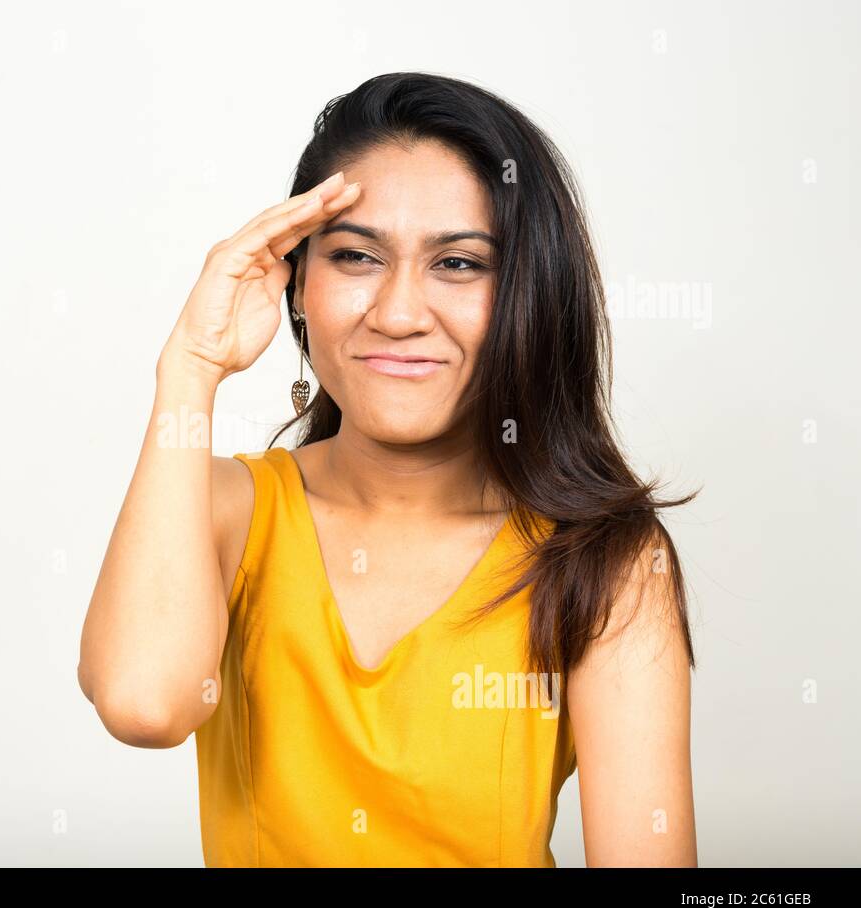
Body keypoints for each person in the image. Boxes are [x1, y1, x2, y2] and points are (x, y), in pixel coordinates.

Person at [78, 72, 699, 867]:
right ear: (298, 283)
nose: (400, 314)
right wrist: (192, 365)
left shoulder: (604, 559)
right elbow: (143, 703)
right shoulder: (225, 508)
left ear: (527, 295)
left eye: (459, 264)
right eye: (357, 255)